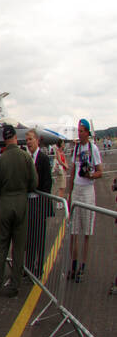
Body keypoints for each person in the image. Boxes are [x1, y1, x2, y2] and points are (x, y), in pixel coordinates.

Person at [0, 125, 37, 296]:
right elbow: (34, 183)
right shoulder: (25, 157)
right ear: (16, 137)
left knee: (1, 246)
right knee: (18, 248)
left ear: (4, 138)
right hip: (21, 205)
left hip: (4, 206)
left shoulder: (0, 160)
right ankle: (14, 285)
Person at [66, 118, 103, 282]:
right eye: (78, 131)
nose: (79, 133)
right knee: (74, 230)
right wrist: (69, 192)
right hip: (77, 190)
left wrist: (90, 175)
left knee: (86, 231)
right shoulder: (75, 150)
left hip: (88, 190)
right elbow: (73, 170)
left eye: (82, 131)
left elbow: (99, 171)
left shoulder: (93, 148)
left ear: (87, 133)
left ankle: (83, 265)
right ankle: (73, 265)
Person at [24, 128, 54, 279]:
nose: (28, 142)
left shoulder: (42, 159)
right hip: (28, 203)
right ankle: (28, 267)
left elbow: (48, 182)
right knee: (29, 238)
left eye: (30, 139)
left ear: (37, 140)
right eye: (27, 139)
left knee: (39, 238)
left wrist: (38, 192)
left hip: (39, 203)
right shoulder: (26, 158)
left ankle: (38, 268)